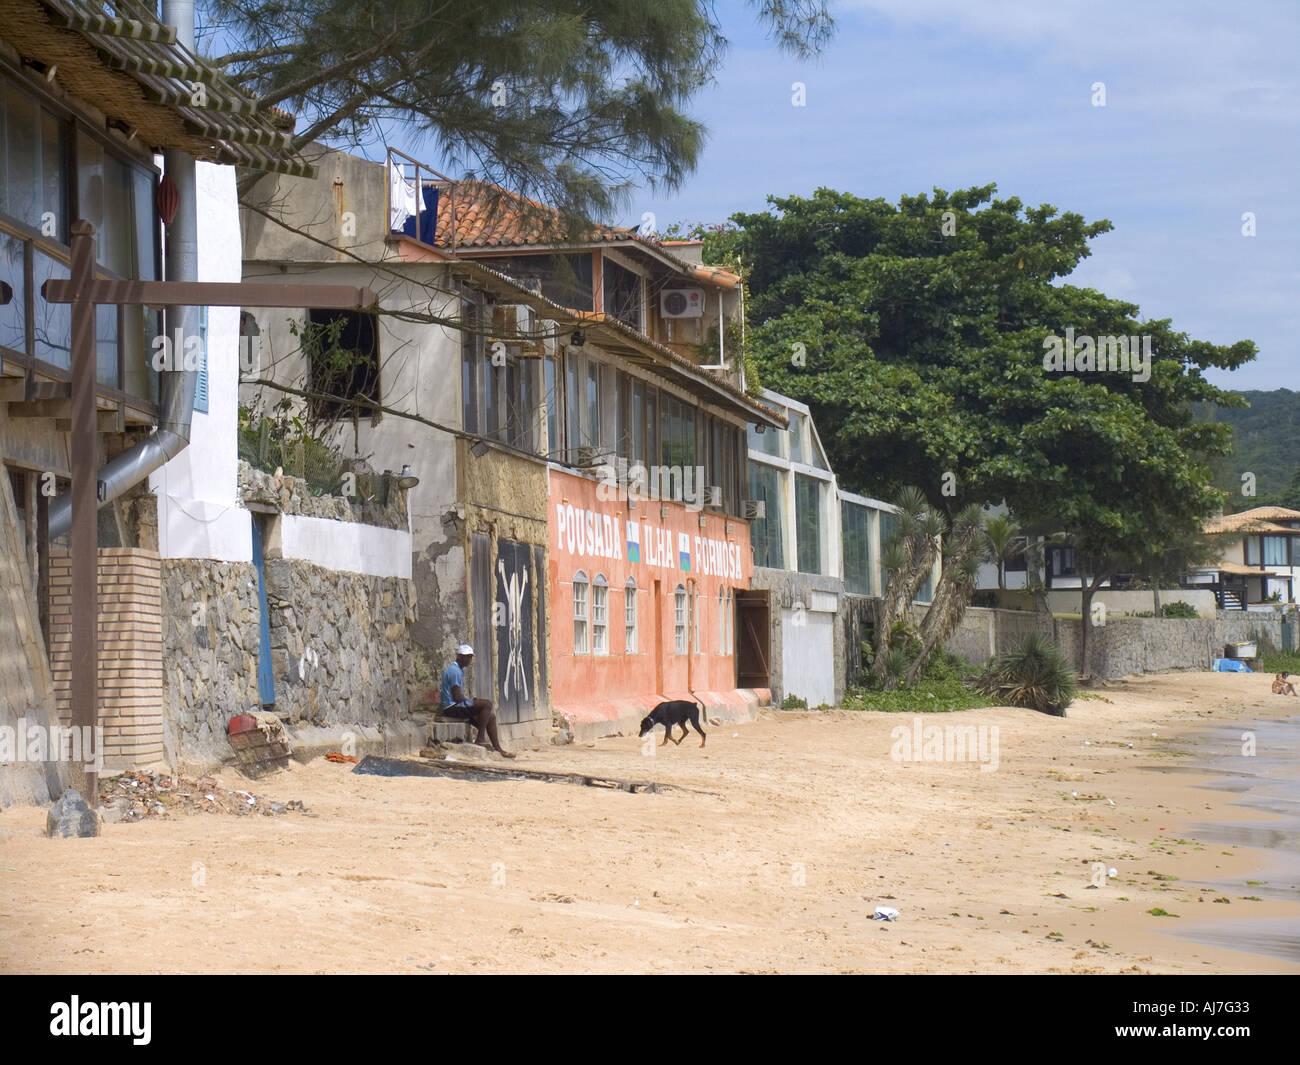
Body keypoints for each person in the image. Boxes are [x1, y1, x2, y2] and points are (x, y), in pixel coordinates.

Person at [439, 644, 515, 757]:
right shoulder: (454, 671)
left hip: (455, 705)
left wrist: (472, 704)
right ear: (459, 656)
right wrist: (471, 703)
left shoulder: (458, 670)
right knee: (487, 704)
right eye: (467, 656)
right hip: (451, 707)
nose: (469, 659)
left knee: (491, 716)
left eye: (470, 656)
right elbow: (457, 697)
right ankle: (480, 738)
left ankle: (497, 748)